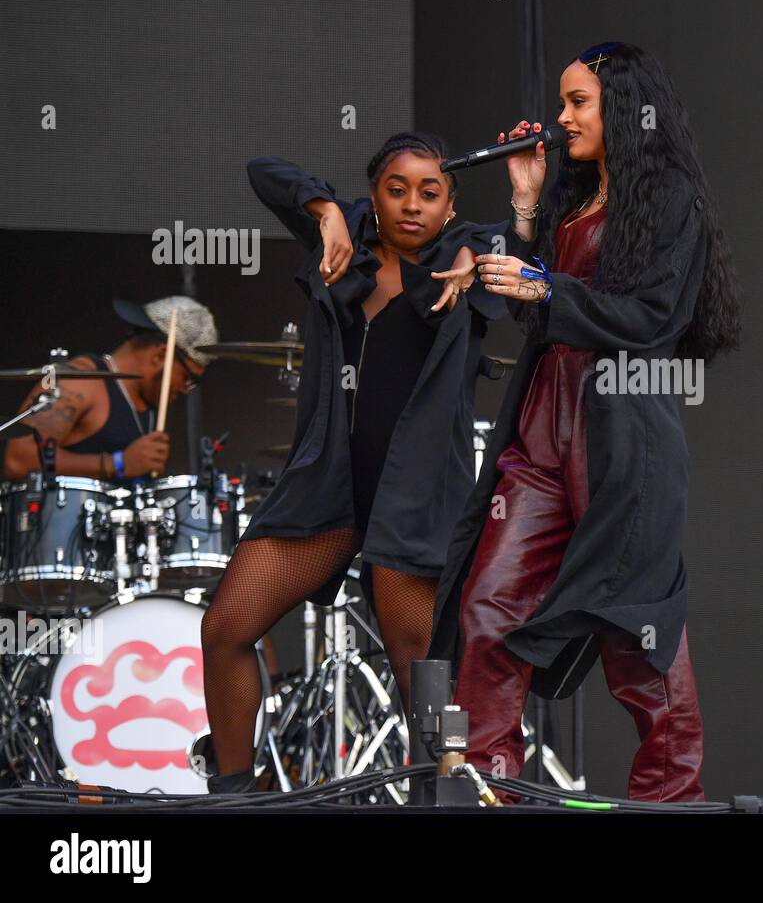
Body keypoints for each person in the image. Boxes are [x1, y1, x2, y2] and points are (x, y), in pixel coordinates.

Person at [428, 42, 741, 802]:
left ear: (626, 111)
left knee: (635, 630)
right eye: (562, 103)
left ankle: (672, 798)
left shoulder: (671, 202)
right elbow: (528, 303)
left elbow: (653, 317)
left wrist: (543, 288)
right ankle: (490, 788)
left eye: (579, 103)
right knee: (489, 602)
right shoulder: (576, 196)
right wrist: (528, 205)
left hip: (621, 438)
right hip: (542, 429)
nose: (563, 118)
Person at [200, 133, 510, 793]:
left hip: (413, 504)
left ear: (450, 208)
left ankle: (437, 803)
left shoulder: (468, 257)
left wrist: (480, 251)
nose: (412, 204)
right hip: (328, 495)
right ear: (375, 196)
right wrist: (324, 210)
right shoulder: (340, 246)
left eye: (430, 192)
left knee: (419, 677)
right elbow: (264, 164)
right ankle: (234, 795)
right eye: (396, 189)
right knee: (225, 628)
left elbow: (523, 245)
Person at [2, 296, 216, 483]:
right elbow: (17, 460)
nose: (186, 389)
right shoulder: (81, 381)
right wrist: (117, 464)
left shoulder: (147, 400)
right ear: (161, 355)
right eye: (188, 378)